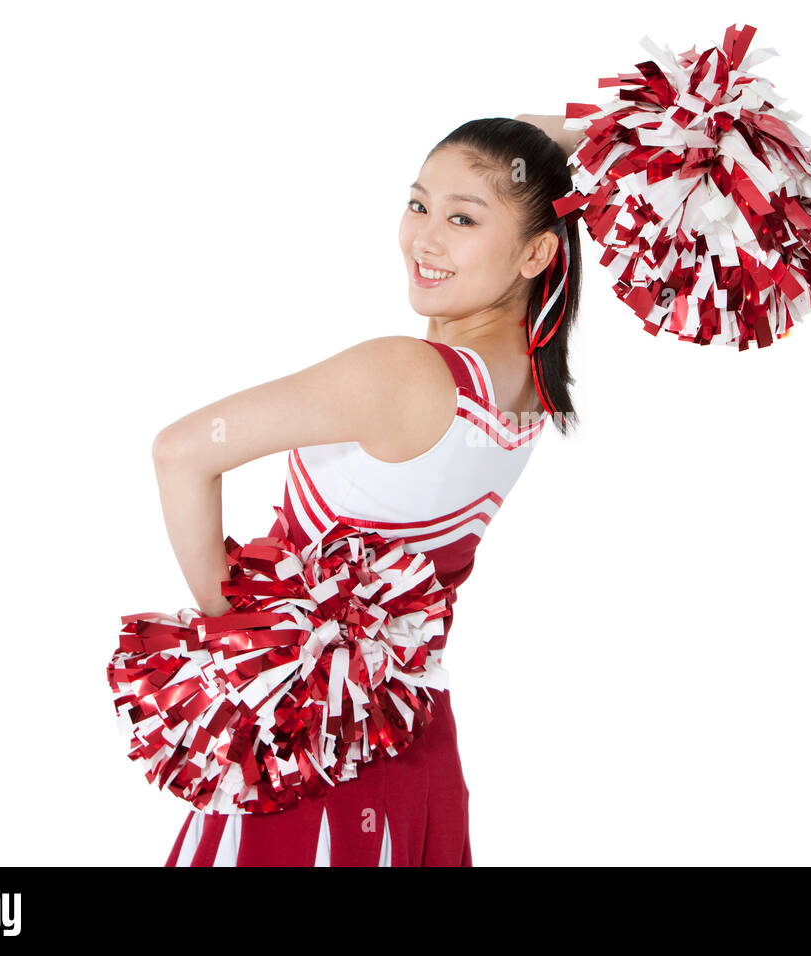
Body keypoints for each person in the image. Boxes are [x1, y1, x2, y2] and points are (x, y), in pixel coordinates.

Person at [141, 116, 583, 866]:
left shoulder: (401, 372)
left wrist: (249, 646)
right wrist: (615, 135)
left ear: (537, 251)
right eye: (416, 204)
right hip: (415, 740)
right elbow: (520, 159)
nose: (424, 239)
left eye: (461, 218)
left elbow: (182, 451)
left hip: (316, 750)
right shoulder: (533, 385)